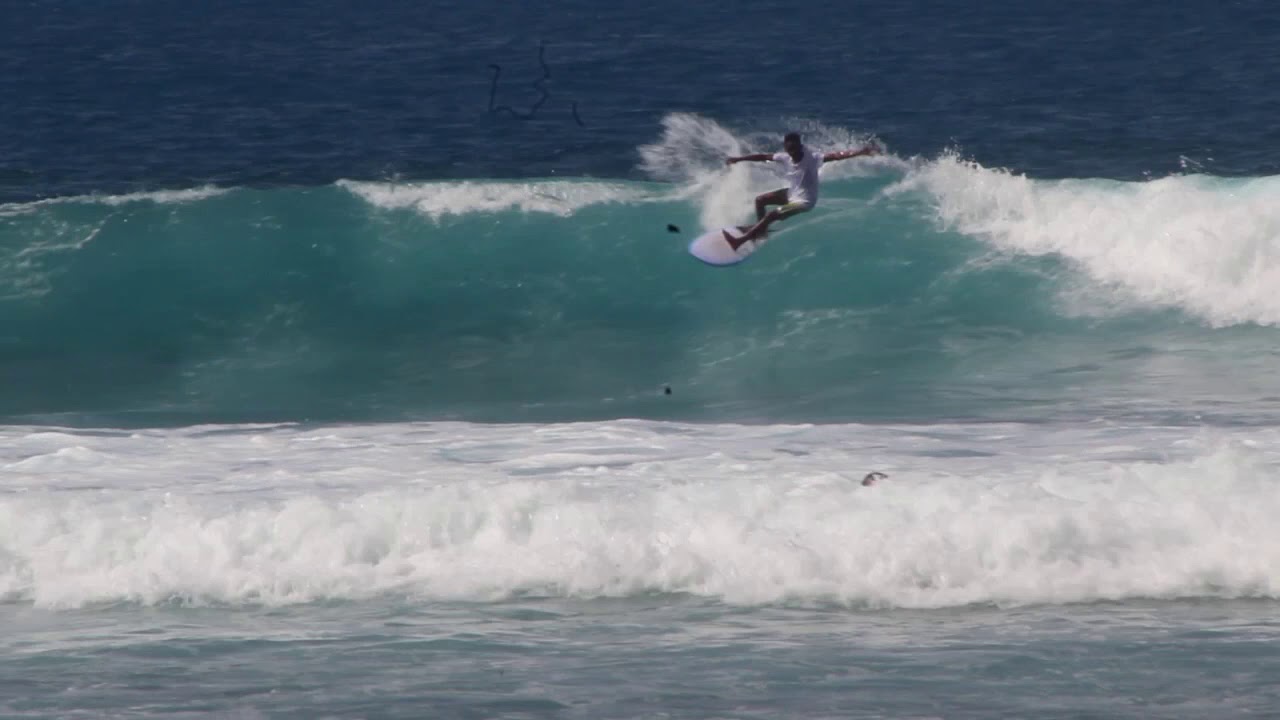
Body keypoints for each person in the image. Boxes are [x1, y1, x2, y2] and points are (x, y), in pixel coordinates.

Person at [723, 132, 879, 249]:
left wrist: (860, 152)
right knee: (760, 200)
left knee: (772, 214)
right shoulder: (785, 157)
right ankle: (760, 232)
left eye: (795, 149)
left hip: (803, 201)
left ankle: (740, 242)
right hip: (792, 193)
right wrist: (739, 159)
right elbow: (763, 156)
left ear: (800, 146)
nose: (792, 153)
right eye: (789, 150)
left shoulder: (812, 158)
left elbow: (837, 155)